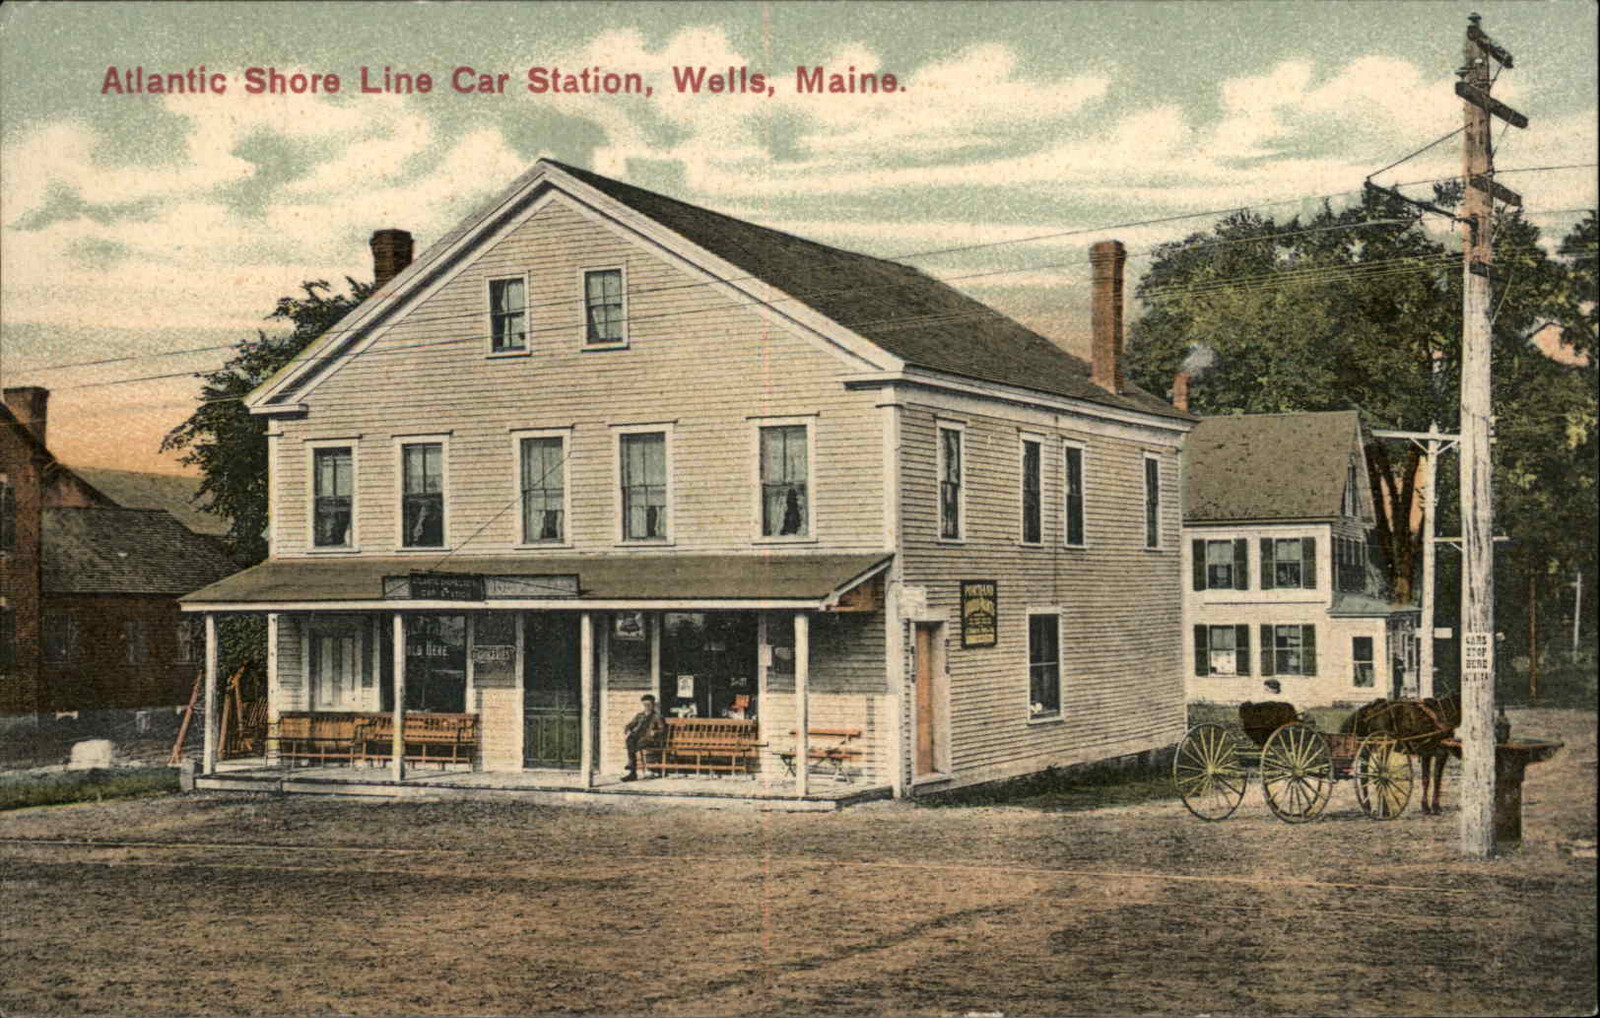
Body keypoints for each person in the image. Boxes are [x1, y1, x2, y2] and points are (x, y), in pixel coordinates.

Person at [622, 694, 666, 781]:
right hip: (639, 737)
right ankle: (632, 770)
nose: (647, 707)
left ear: (653, 705)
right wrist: (627, 727)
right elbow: (632, 723)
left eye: (649, 705)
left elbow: (663, 729)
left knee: (633, 745)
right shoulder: (640, 715)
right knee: (629, 740)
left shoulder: (657, 716)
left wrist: (656, 732)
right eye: (645, 705)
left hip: (651, 739)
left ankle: (632, 770)